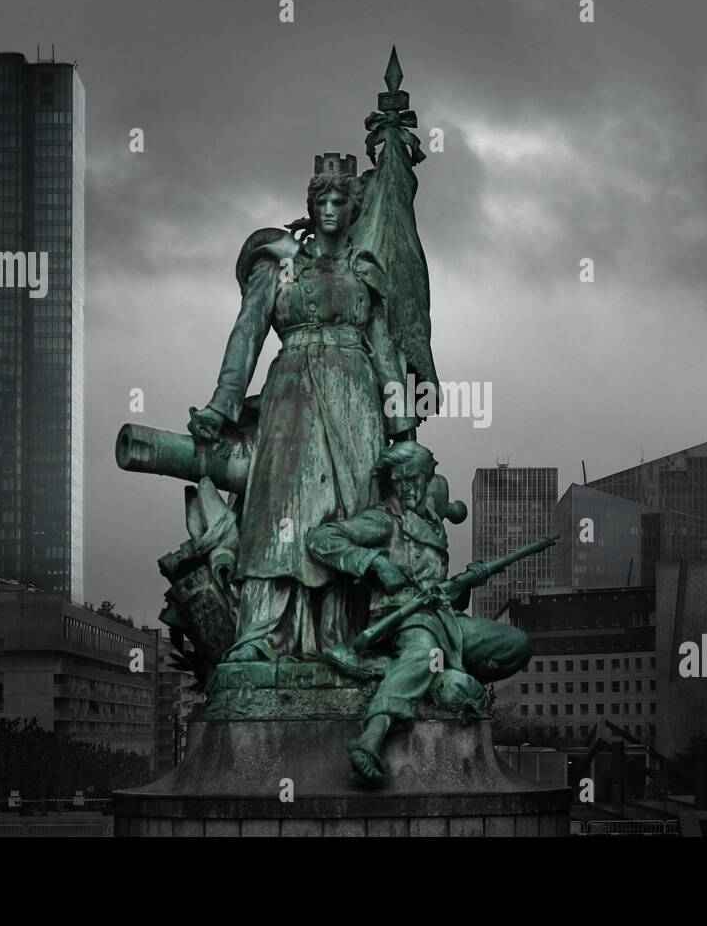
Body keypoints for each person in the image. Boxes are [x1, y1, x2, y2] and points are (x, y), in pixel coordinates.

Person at [187, 154, 415, 661]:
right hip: (290, 394)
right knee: (278, 513)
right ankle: (264, 635)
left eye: (339, 201)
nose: (330, 209)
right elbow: (246, 335)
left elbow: (384, 353)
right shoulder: (281, 266)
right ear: (309, 206)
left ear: (353, 209)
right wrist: (221, 406)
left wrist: (403, 432)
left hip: (355, 400)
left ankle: (339, 639)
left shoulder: (364, 270)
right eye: (321, 201)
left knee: (346, 514)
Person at [305, 441, 532, 783]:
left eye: (418, 480)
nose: (411, 488)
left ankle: (444, 684)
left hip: (447, 622)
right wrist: (375, 564)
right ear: (391, 482)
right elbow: (321, 539)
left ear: (428, 480)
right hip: (403, 619)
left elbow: (451, 601)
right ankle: (373, 735)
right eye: (403, 481)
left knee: (516, 644)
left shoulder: (433, 527)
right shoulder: (383, 522)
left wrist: (466, 583)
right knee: (425, 654)